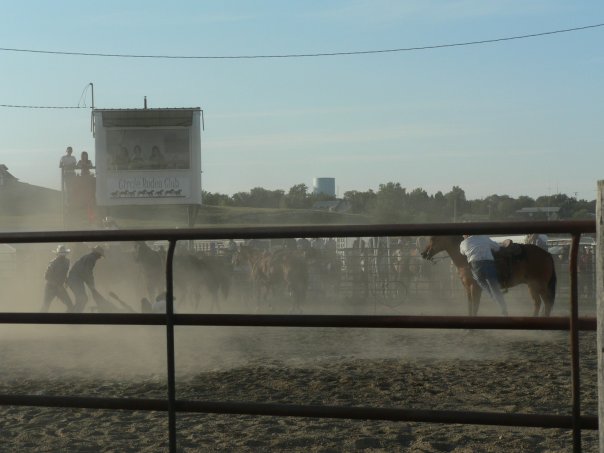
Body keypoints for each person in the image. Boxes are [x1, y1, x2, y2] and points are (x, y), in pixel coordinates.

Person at [459, 235, 508, 316]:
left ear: (466, 235)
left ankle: (491, 294)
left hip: (476, 265)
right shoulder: (484, 238)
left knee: (480, 281)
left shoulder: (463, 243)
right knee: (494, 286)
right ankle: (502, 307)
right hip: (489, 263)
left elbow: (462, 252)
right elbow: (497, 248)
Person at [66, 245, 105, 312]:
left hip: (75, 279)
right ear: (97, 254)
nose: (99, 258)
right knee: (82, 299)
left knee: (81, 299)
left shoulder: (89, 257)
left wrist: (91, 285)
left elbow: (85, 272)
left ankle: (73, 313)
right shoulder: (92, 258)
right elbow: (87, 272)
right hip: (75, 280)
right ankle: (74, 315)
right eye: (100, 256)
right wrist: (91, 285)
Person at [41, 245, 74, 312]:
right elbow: (46, 276)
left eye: (63, 254)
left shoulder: (67, 262)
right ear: (58, 254)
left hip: (59, 287)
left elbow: (65, 273)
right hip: (50, 288)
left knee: (70, 306)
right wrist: (57, 285)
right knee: (45, 307)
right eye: (61, 254)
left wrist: (67, 281)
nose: (62, 255)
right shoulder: (53, 263)